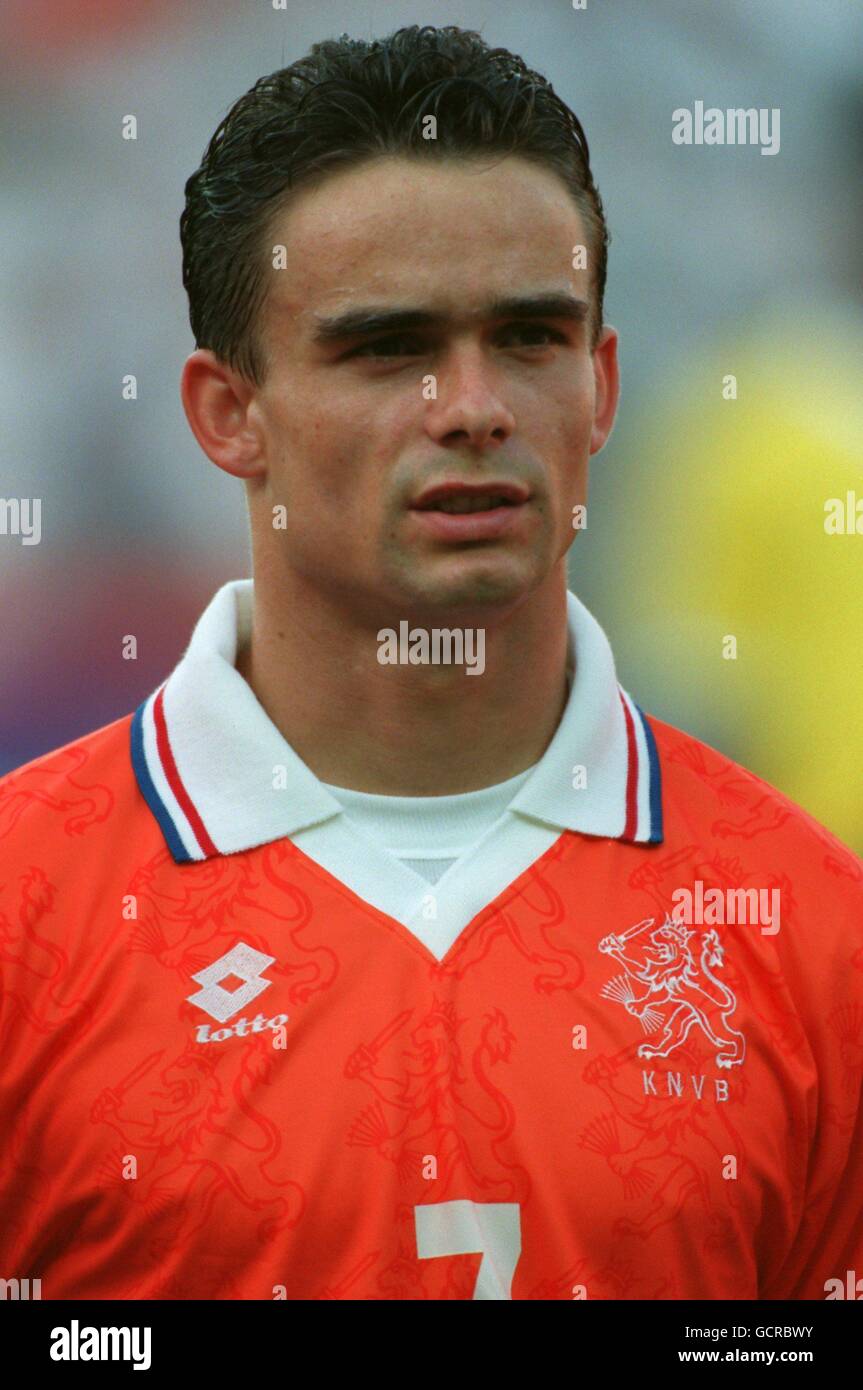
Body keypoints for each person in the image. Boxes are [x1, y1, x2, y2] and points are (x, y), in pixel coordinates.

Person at [1, 24, 860, 1302]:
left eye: (528, 337)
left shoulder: (811, 931)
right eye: (386, 347)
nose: (472, 405)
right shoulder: (23, 917)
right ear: (226, 413)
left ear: (602, 386)